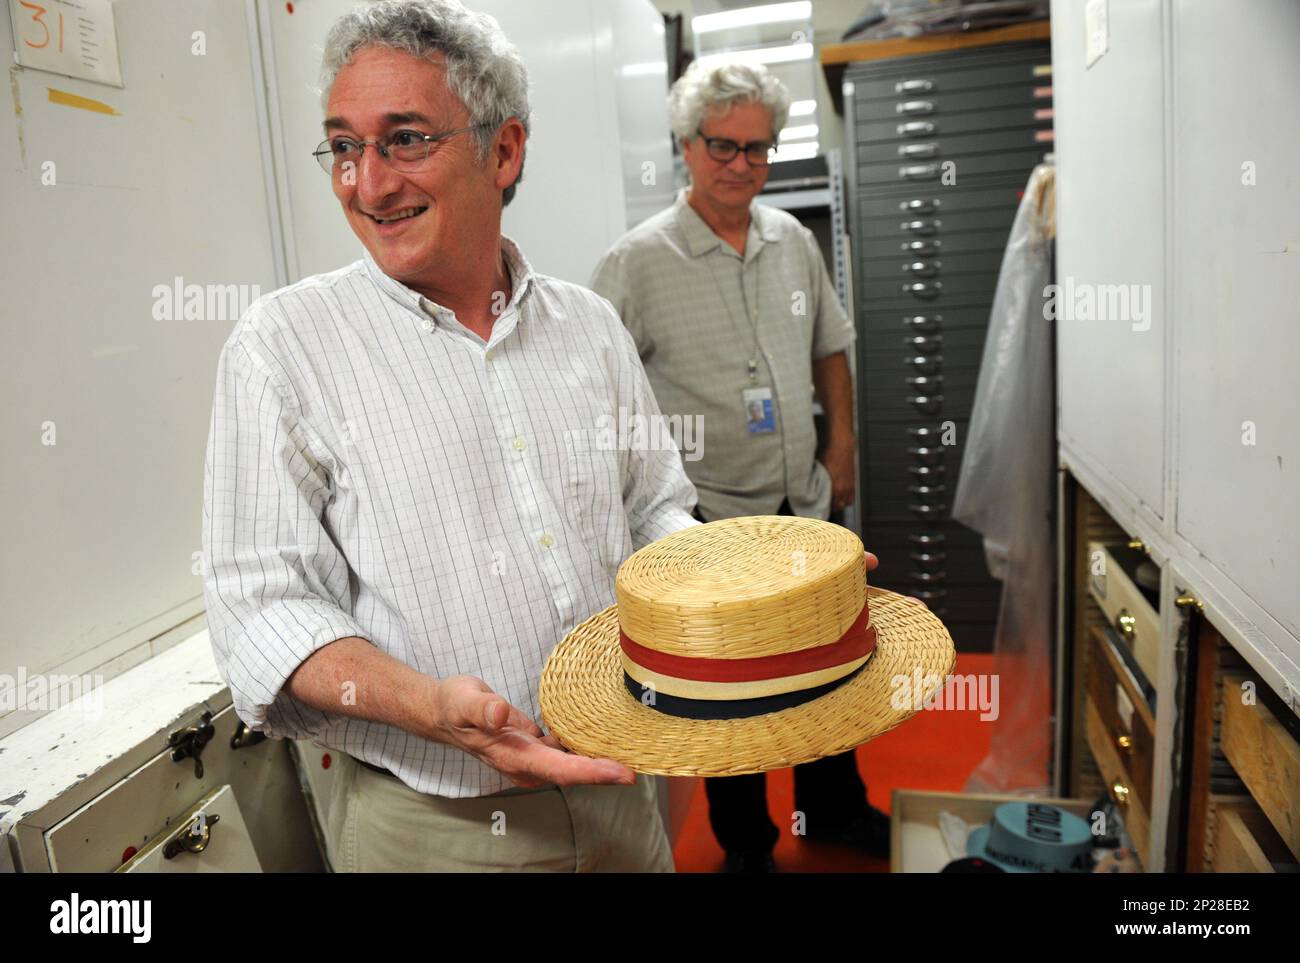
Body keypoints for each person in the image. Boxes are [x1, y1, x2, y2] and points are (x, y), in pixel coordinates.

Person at [200, 0, 698, 872]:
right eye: (345, 147)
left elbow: (653, 508)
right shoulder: (283, 347)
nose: (368, 182)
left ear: (501, 150)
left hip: (623, 795)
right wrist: (430, 707)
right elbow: (262, 607)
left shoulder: (589, 326)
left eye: (404, 139)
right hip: (433, 829)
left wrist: (748, 586)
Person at [590, 59, 889, 873]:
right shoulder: (635, 262)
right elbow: (595, 392)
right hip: (710, 518)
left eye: (758, 149)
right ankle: (748, 847)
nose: (741, 164)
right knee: (733, 701)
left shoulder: (791, 240)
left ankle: (835, 807)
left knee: (830, 667)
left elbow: (833, 345)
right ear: (685, 146)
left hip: (806, 506)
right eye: (722, 145)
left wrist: (843, 445)